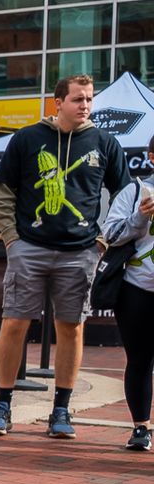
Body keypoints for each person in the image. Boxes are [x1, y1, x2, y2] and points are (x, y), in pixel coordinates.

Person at [0, 74, 130, 439]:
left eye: (90, 100)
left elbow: (124, 194)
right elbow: (2, 189)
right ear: (58, 102)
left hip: (80, 251)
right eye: (78, 99)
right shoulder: (28, 138)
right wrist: (12, 239)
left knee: (71, 327)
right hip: (29, 247)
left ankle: (61, 410)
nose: (85, 106)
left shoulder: (105, 143)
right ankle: (3, 404)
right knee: (14, 323)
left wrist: (102, 241)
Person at [100, 174, 154, 450]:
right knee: (140, 360)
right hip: (137, 287)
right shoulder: (134, 191)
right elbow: (110, 234)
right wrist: (139, 217)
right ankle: (141, 428)